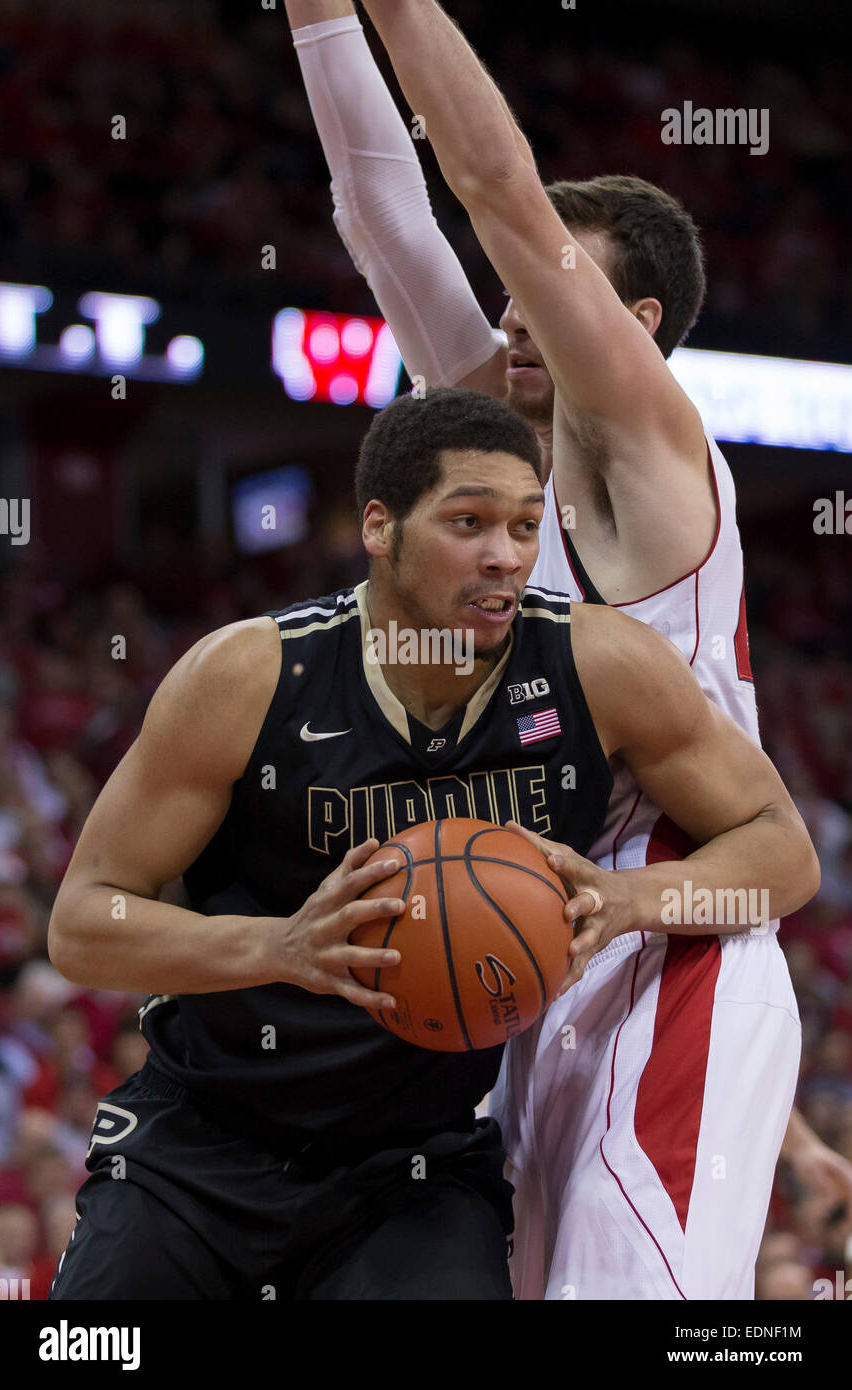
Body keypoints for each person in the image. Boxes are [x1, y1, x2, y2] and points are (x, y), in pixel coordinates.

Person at [287, 0, 842, 1298]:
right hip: (534, 961)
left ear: (633, 321)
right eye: (509, 298)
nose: (510, 313)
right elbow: (380, 215)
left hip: (677, 936)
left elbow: (489, 185)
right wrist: (317, 14)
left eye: (544, 289)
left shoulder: (647, 449)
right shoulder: (503, 439)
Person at [47, 388, 818, 1301]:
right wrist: (278, 947)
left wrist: (629, 900)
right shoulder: (250, 677)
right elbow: (84, 924)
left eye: (527, 526)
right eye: (468, 522)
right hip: (203, 1143)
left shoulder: (595, 665)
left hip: (411, 1169)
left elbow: (782, 852)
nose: (504, 555)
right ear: (380, 527)